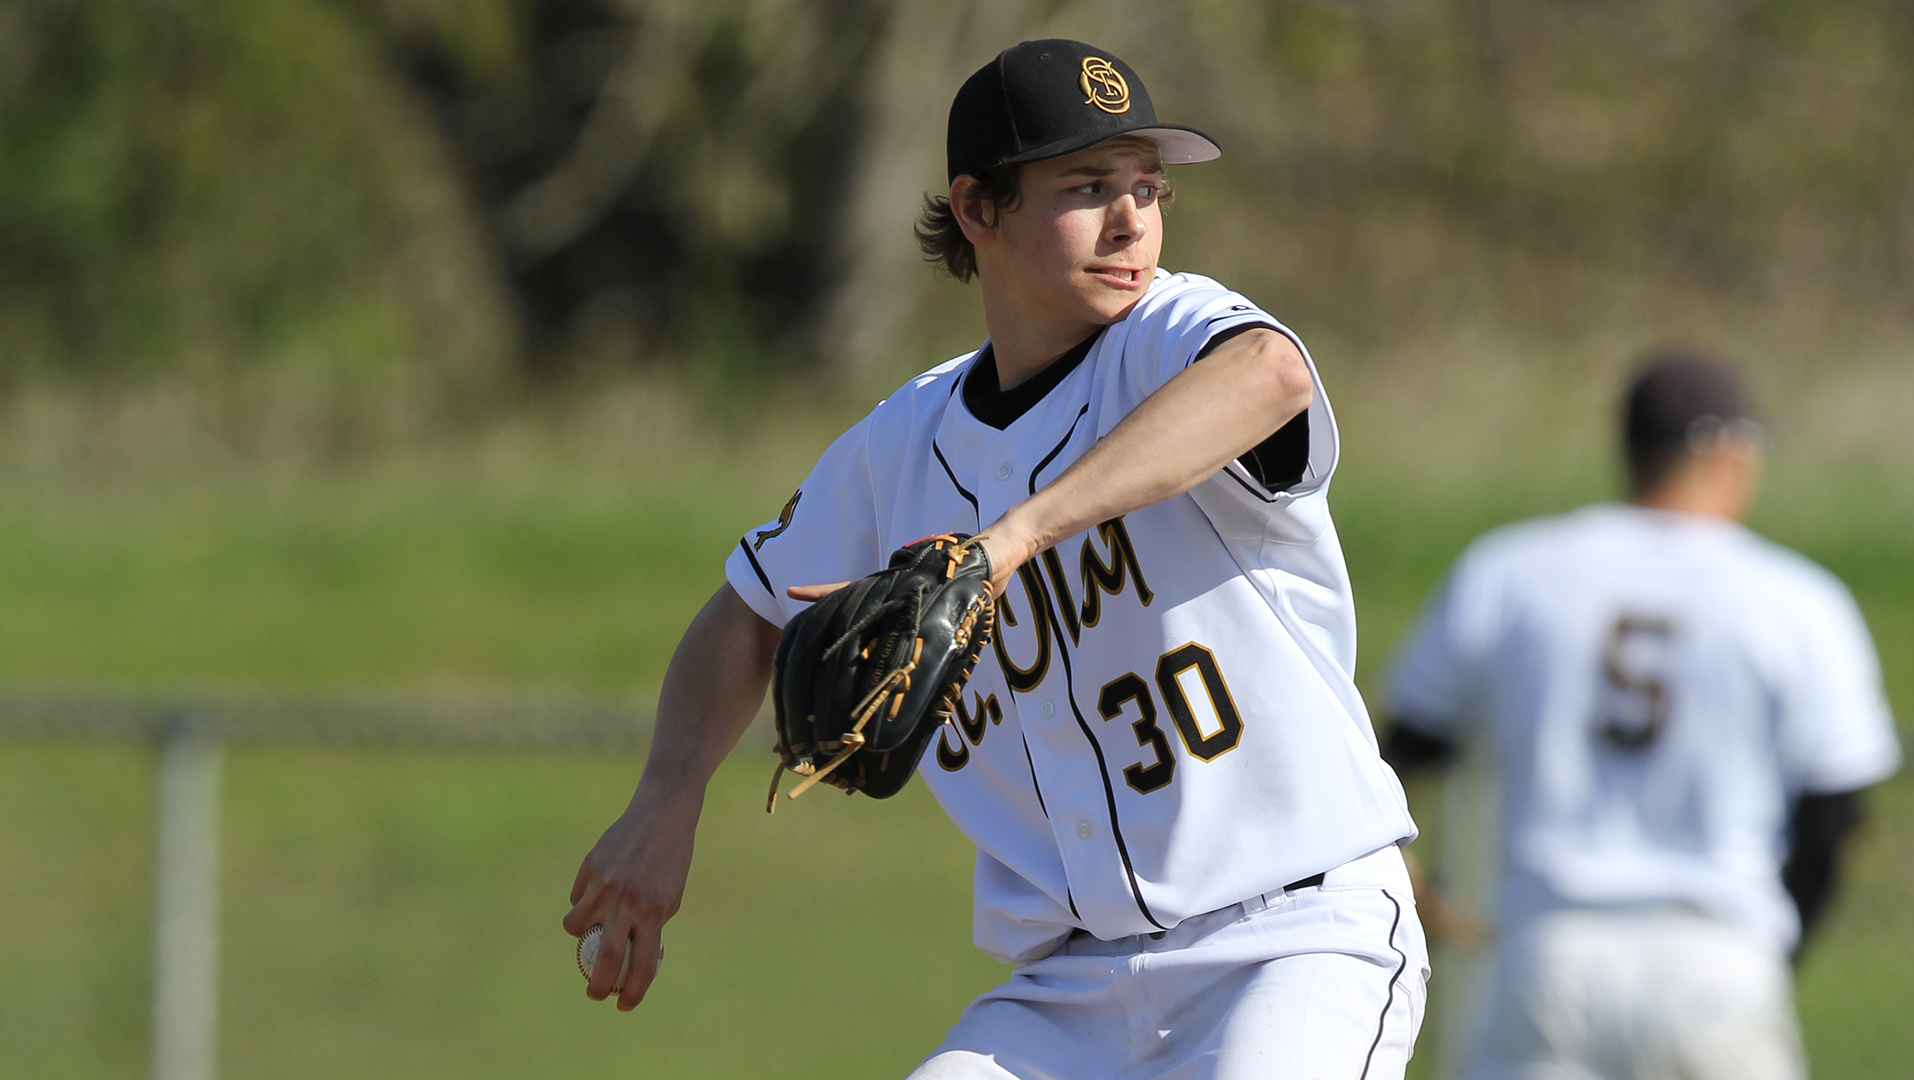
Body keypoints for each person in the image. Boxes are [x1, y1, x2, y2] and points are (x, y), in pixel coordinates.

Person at [566, 39, 1428, 1079]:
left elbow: (1271, 374)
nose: (1132, 220)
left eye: (1149, 188)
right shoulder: (904, 442)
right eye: (1087, 185)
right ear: (978, 210)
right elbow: (747, 613)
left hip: (1293, 940)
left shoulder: (1168, 334)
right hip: (1069, 987)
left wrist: (1011, 540)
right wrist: (667, 797)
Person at [1380, 352, 1902, 1080]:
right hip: (1718, 955)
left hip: (1545, 954)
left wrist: (1412, 881)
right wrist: (1769, 953)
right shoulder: (1797, 600)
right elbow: (1832, 818)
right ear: (1728, 452)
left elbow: (1392, 758)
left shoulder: (1512, 571)